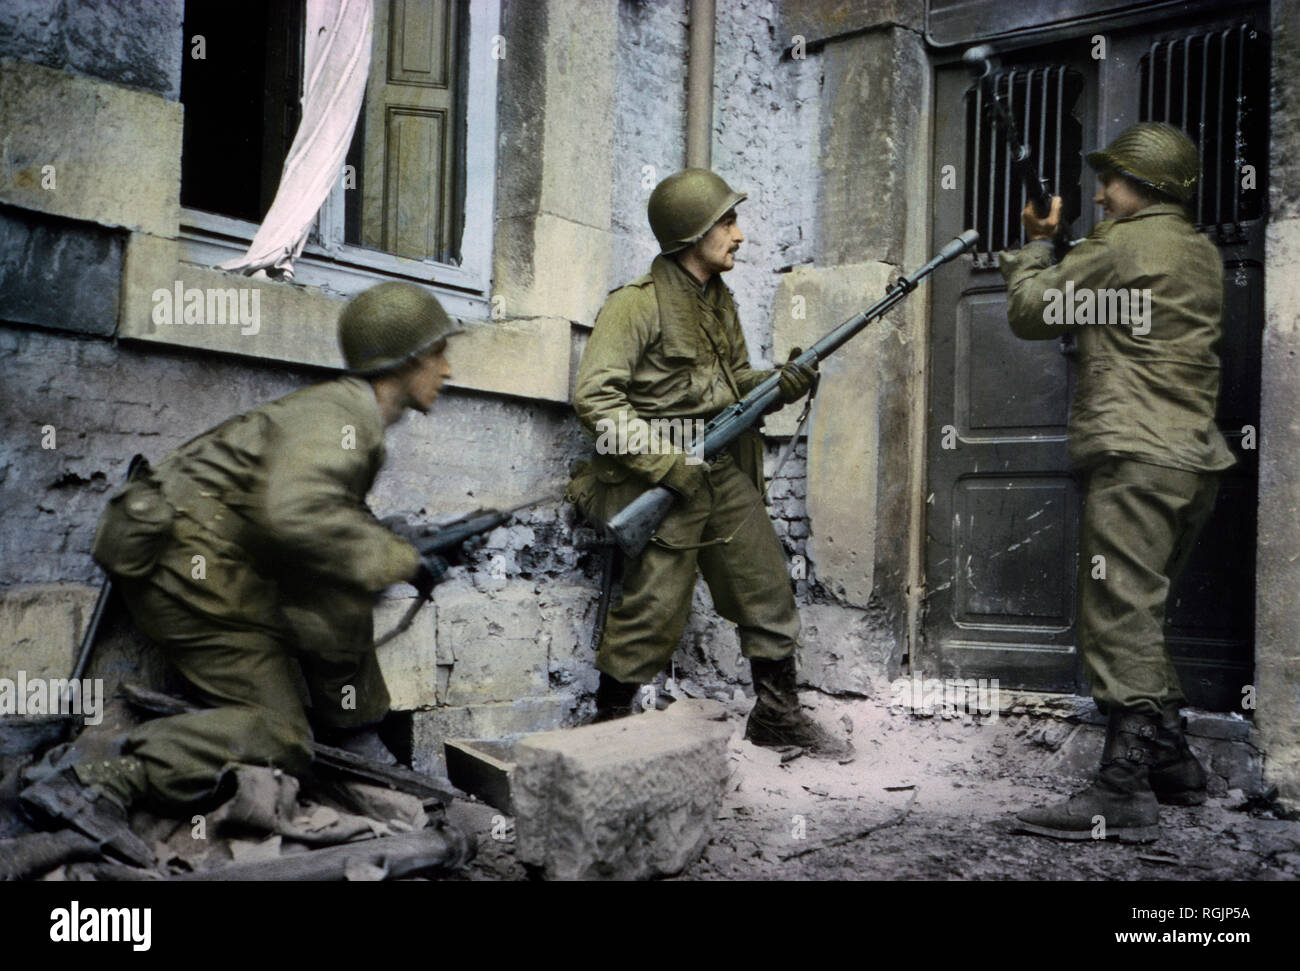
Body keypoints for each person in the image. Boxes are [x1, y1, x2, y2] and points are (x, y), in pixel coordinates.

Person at [21, 281, 460, 866]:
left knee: (338, 588)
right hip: (185, 571)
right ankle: (96, 780)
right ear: (405, 361)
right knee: (280, 739)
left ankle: (356, 738)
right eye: (439, 354)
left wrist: (399, 543)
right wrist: (397, 558)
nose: (449, 370)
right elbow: (296, 516)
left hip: (220, 568)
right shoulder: (338, 418)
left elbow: (323, 525)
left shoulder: (347, 416)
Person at [998, 123, 1235, 841]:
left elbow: (1031, 310)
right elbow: (1116, 309)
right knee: (1142, 609)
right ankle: (1174, 763)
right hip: (1191, 461)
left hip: (1134, 456)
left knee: (1119, 614)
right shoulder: (1198, 252)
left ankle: (1120, 790)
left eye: (1114, 181)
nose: (1100, 193)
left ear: (1150, 187)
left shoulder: (1122, 245)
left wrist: (1040, 243)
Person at [569, 167, 853, 760]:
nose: (738, 234)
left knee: (766, 587)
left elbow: (732, 386)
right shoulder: (634, 306)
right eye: (726, 221)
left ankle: (776, 714)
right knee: (654, 607)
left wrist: (782, 380)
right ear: (690, 233)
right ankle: (608, 726)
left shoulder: (716, 300)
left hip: (722, 468)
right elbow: (596, 397)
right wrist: (663, 463)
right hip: (665, 475)